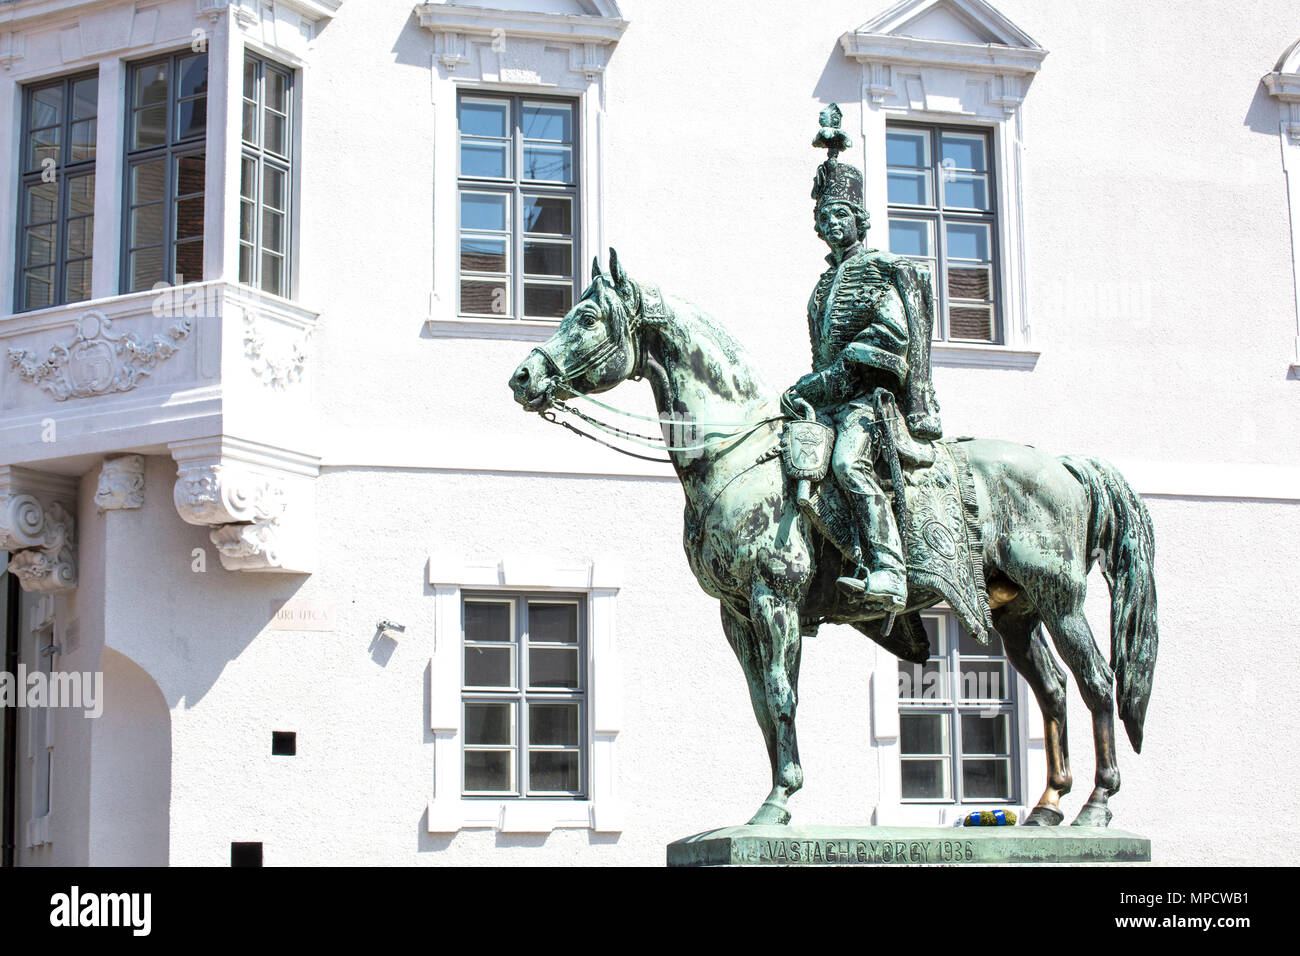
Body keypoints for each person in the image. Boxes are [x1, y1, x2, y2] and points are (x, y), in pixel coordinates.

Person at [785, 104, 942, 611]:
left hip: (869, 405)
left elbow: (889, 336)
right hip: (831, 404)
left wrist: (825, 381)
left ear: (860, 220)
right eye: (824, 217)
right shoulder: (820, 286)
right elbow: (821, 359)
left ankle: (890, 568)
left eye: (840, 215)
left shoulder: (877, 270)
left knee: (849, 464)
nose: (831, 224)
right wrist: (809, 391)